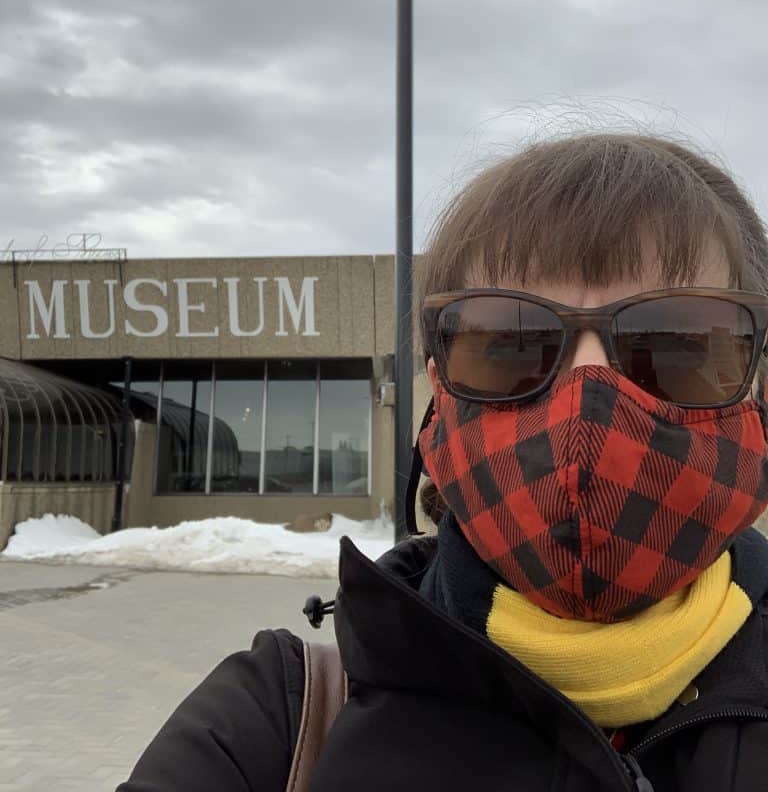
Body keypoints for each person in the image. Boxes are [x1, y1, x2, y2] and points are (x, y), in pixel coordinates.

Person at [117, 133, 768, 792]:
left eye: (678, 341)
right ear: (439, 399)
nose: (590, 389)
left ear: (757, 392)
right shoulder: (277, 723)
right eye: (511, 345)